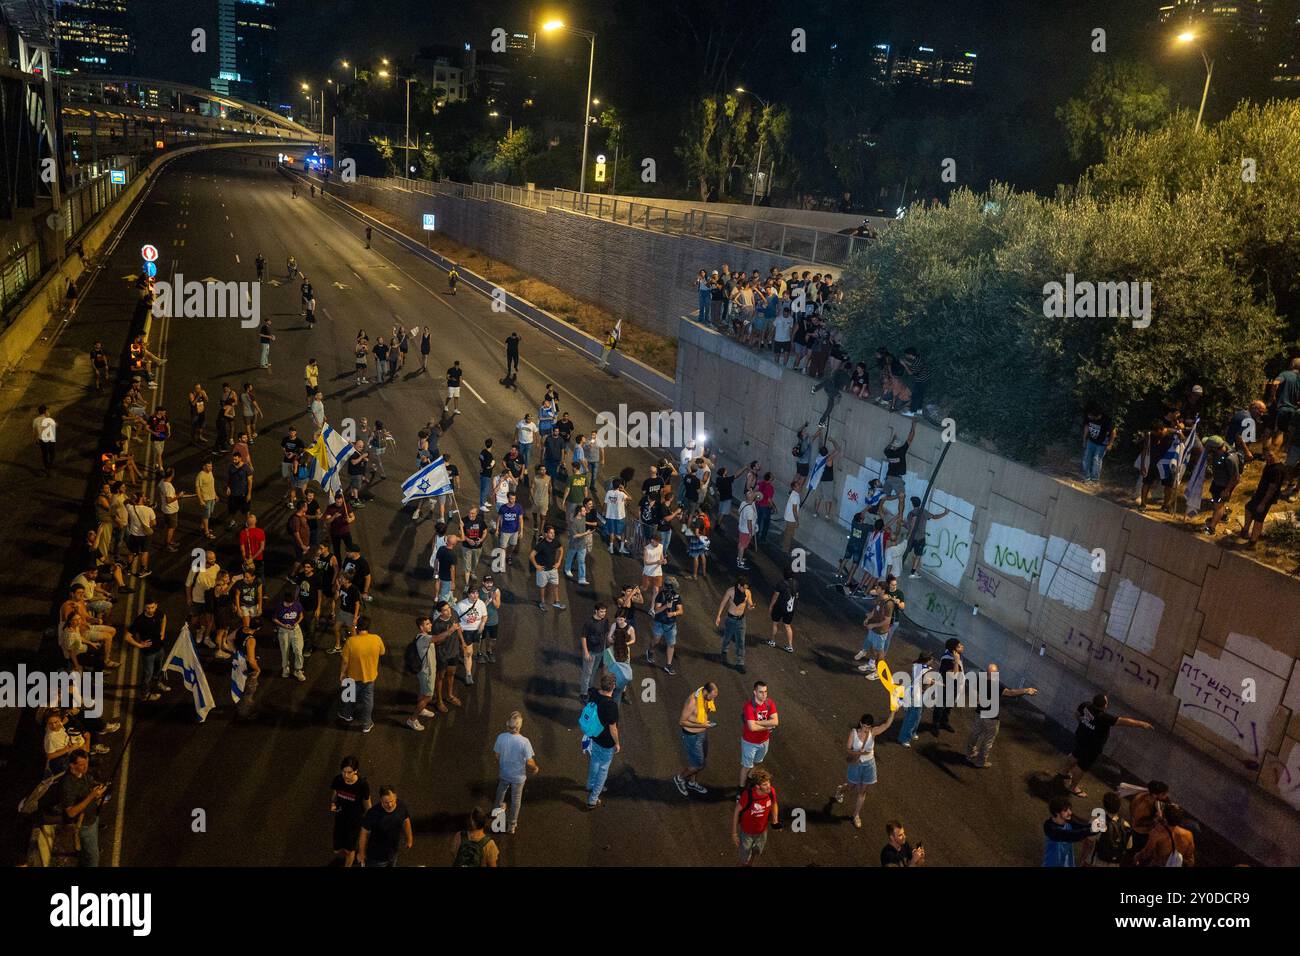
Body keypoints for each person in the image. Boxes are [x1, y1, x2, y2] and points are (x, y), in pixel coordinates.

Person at [1058, 693, 1154, 798]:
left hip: (1081, 737)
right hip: (1092, 747)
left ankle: (1063, 772)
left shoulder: (1085, 705)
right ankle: (1072, 787)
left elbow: (1077, 714)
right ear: (1104, 706)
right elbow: (1124, 721)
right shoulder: (1103, 717)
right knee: (1081, 767)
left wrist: (1084, 724)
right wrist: (1142, 724)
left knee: (1075, 755)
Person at [831, 710, 896, 828]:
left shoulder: (873, 732)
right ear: (861, 724)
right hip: (856, 763)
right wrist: (858, 752)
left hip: (869, 764)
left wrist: (893, 713)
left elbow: (886, 725)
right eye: (865, 727)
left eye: (868, 727)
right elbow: (848, 749)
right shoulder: (854, 733)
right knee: (851, 785)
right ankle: (840, 790)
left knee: (863, 791)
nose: (866, 730)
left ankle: (856, 815)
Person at [965, 664, 1037, 767]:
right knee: (988, 740)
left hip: (979, 713)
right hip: (991, 718)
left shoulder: (980, 680)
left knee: (975, 734)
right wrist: (1026, 690)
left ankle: (969, 753)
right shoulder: (996, 685)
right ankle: (980, 762)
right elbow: (1011, 693)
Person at [493, 711, 539, 834]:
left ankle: (496, 812)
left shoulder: (501, 737)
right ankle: (511, 825)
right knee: (516, 800)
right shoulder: (524, 742)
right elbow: (529, 761)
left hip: (504, 772)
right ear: (520, 727)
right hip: (518, 777)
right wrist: (535, 768)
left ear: (507, 725)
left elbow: (497, 755)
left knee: (501, 790)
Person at [60, 751, 107, 867]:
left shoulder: (83, 773)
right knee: (93, 858)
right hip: (84, 824)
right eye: (82, 764)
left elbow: (87, 793)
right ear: (72, 765)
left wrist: (98, 796)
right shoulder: (68, 785)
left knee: (89, 851)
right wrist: (91, 796)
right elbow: (70, 812)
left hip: (92, 817)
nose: (86, 766)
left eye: (87, 763)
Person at [338, 616, 385, 733]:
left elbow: (345, 661)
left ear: (357, 627)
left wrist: (342, 674)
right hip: (370, 676)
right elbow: (382, 652)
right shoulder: (376, 639)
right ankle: (366, 724)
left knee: (348, 697)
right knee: (367, 701)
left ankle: (346, 714)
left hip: (352, 675)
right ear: (369, 627)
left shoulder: (351, 642)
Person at [583, 672, 620, 810]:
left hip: (594, 735)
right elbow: (613, 729)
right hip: (605, 741)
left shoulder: (594, 693)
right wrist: (616, 743)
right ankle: (593, 799)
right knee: (603, 769)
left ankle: (590, 784)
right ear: (613, 687)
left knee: (594, 760)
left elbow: (590, 691)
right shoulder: (611, 706)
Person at [674, 682, 718, 797]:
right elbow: (682, 722)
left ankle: (692, 782)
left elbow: (703, 713)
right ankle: (680, 778)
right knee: (698, 764)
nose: (712, 700)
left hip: (702, 733)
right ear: (705, 692)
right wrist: (702, 726)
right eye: (711, 697)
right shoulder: (692, 701)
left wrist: (704, 725)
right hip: (692, 737)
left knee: (701, 759)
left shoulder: (706, 698)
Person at [732, 768, 779, 867]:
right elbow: (737, 811)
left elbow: (774, 803)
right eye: (765, 784)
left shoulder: (771, 792)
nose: (768, 786)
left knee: (755, 851)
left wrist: (775, 819)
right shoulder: (748, 795)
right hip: (747, 833)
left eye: (769, 783)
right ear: (757, 786)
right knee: (743, 860)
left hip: (762, 831)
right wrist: (734, 833)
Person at [330, 756, 372, 866]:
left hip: (354, 822)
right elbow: (335, 793)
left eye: (349, 772)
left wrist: (370, 820)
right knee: (337, 849)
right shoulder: (338, 779)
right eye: (344, 772)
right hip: (340, 818)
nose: (346, 775)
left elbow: (367, 804)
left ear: (356, 771)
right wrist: (333, 803)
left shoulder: (362, 785)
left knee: (349, 850)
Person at [123, 600, 167, 701]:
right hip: (148, 653)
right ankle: (145, 695)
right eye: (148, 608)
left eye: (152, 607)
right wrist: (139, 645)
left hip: (159, 649)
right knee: (148, 675)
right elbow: (127, 637)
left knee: (158, 669)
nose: (150, 610)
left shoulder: (158, 613)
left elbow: (164, 617)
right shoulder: (140, 620)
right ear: (144, 607)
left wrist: (162, 632)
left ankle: (158, 683)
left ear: (156, 606)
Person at [358, 787, 413, 867]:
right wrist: (361, 853)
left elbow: (406, 820)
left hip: (393, 852)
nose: (390, 805)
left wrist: (409, 838)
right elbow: (364, 833)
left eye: (391, 801)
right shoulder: (373, 813)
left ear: (395, 797)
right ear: (381, 800)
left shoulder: (401, 806)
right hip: (376, 857)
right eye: (386, 802)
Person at [739, 680, 779, 789]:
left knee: (757, 763)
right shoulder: (749, 707)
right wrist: (767, 726)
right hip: (750, 743)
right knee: (747, 767)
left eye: (766, 692)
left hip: (764, 742)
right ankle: (741, 789)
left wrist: (758, 723)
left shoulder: (769, 703)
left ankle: (750, 779)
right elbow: (752, 728)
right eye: (761, 692)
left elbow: (775, 721)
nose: (764, 694)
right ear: (755, 692)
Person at [1083, 791, 1132, 868]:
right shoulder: (1126, 825)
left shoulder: (1098, 821)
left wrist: (1083, 858)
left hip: (1096, 861)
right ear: (1119, 808)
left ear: (1104, 806)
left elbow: (1088, 842)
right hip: (1115, 863)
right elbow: (1128, 847)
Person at [716, 576, 754, 672]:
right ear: (738, 585)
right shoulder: (730, 591)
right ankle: (724, 652)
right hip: (730, 619)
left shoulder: (748, 593)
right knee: (727, 637)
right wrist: (718, 616)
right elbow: (723, 603)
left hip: (741, 620)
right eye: (743, 587)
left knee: (741, 641)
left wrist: (751, 606)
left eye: (746, 588)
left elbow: (749, 605)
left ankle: (740, 663)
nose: (745, 589)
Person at [1042, 796, 1093, 867]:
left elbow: (1081, 825)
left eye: (1069, 809)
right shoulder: (1050, 827)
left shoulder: (1068, 821)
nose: (1070, 812)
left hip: (1065, 859)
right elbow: (1070, 835)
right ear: (1057, 813)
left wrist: (1094, 826)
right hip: (1054, 862)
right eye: (1065, 810)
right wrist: (1092, 830)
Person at [930, 638, 964, 735]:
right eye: (959, 646)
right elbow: (954, 675)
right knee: (940, 706)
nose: (962, 646)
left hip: (954, 686)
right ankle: (935, 725)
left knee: (949, 705)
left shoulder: (956, 655)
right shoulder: (947, 660)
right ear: (954, 650)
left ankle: (944, 722)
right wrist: (956, 661)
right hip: (945, 686)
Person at [530, 524, 566, 611]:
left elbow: (561, 550)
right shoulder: (541, 544)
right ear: (546, 534)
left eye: (553, 533)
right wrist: (536, 566)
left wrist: (559, 562)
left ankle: (557, 602)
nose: (553, 534)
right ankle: (542, 602)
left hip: (553, 569)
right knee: (542, 587)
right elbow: (531, 555)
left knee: (556, 585)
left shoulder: (555, 542)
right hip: (543, 570)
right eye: (551, 533)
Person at [578, 603, 608, 702]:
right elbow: (583, 637)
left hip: (600, 651)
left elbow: (604, 636)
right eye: (601, 611)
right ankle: (583, 693)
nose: (603, 614)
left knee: (594, 671)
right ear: (596, 611)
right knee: (587, 673)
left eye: (604, 612)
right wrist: (586, 652)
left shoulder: (605, 621)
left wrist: (604, 650)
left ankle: (589, 688)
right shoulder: (589, 622)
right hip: (590, 651)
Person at [766, 568, 798, 654]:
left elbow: (775, 596)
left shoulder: (781, 584)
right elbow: (797, 595)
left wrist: (771, 606)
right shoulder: (796, 583)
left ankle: (772, 641)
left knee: (775, 623)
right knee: (787, 626)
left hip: (780, 607)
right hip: (790, 609)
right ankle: (790, 646)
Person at [32, 404, 57, 476]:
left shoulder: (35, 420)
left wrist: (35, 439)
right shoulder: (49, 419)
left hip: (42, 440)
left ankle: (47, 468)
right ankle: (50, 466)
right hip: (50, 440)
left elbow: (35, 431)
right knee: (52, 454)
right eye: (47, 410)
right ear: (45, 411)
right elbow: (55, 425)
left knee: (45, 455)